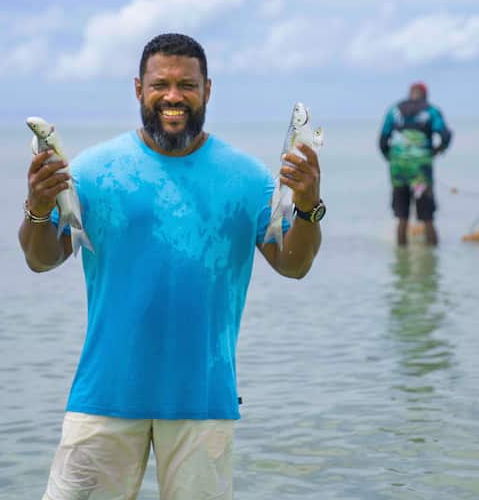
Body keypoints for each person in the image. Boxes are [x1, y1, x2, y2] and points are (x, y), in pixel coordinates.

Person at [19, 33, 325, 500]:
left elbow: (293, 264)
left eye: (188, 85)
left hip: (203, 399)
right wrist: (38, 208)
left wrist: (306, 207)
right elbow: (41, 258)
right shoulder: (93, 171)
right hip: (105, 393)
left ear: (208, 90)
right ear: (138, 89)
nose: (173, 96)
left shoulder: (247, 178)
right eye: (160, 84)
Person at [379, 82, 452, 246]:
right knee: (427, 217)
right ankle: (432, 256)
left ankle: (401, 257)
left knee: (402, 217)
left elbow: (383, 140)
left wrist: (391, 158)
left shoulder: (394, 110)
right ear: (425, 95)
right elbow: (445, 135)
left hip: (398, 170)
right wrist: (437, 150)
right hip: (421, 171)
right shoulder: (431, 111)